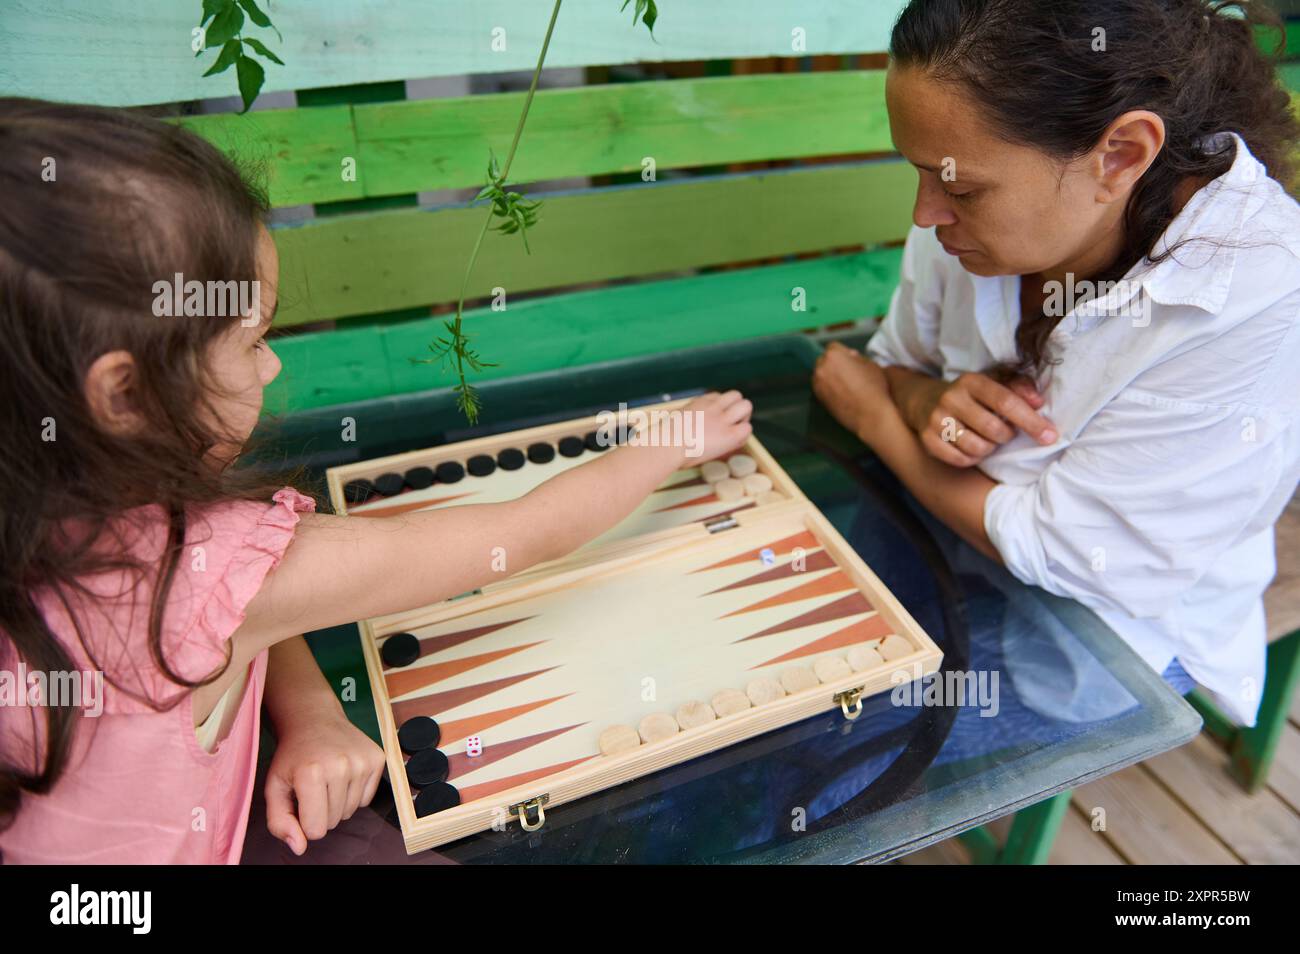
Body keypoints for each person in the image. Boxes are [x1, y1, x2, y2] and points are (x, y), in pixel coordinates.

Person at [0, 99, 754, 862]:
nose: (274, 364)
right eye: (255, 338)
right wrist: (671, 441)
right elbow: (523, 532)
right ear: (123, 397)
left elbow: (230, 604)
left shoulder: (54, 498)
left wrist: (311, 711)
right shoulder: (191, 582)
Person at [813, 0, 1300, 726]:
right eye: (922, 172)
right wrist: (919, 404)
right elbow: (896, 361)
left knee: (814, 771)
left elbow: (1070, 553)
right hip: (941, 539)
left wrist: (881, 419)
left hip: (1101, 636)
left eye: (960, 186)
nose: (925, 213)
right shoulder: (970, 219)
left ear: (1121, 155)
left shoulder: (1255, 295)